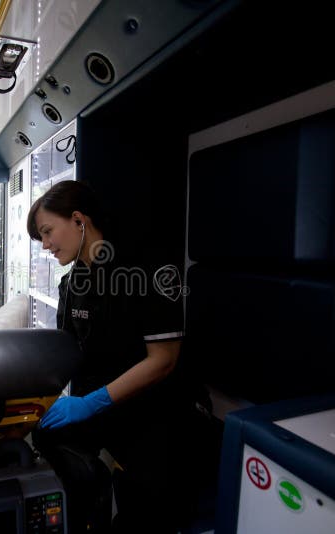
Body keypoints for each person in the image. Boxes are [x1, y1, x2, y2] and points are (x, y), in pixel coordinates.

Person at [27, 180, 211, 533]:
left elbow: (164, 360)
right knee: (46, 438)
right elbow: (65, 351)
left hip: (159, 409)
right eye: (41, 238)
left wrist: (92, 403)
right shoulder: (72, 283)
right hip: (106, 406)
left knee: (146, 507)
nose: (46, 245)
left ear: (79, 220)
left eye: (48, 232)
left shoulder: (149, 269)